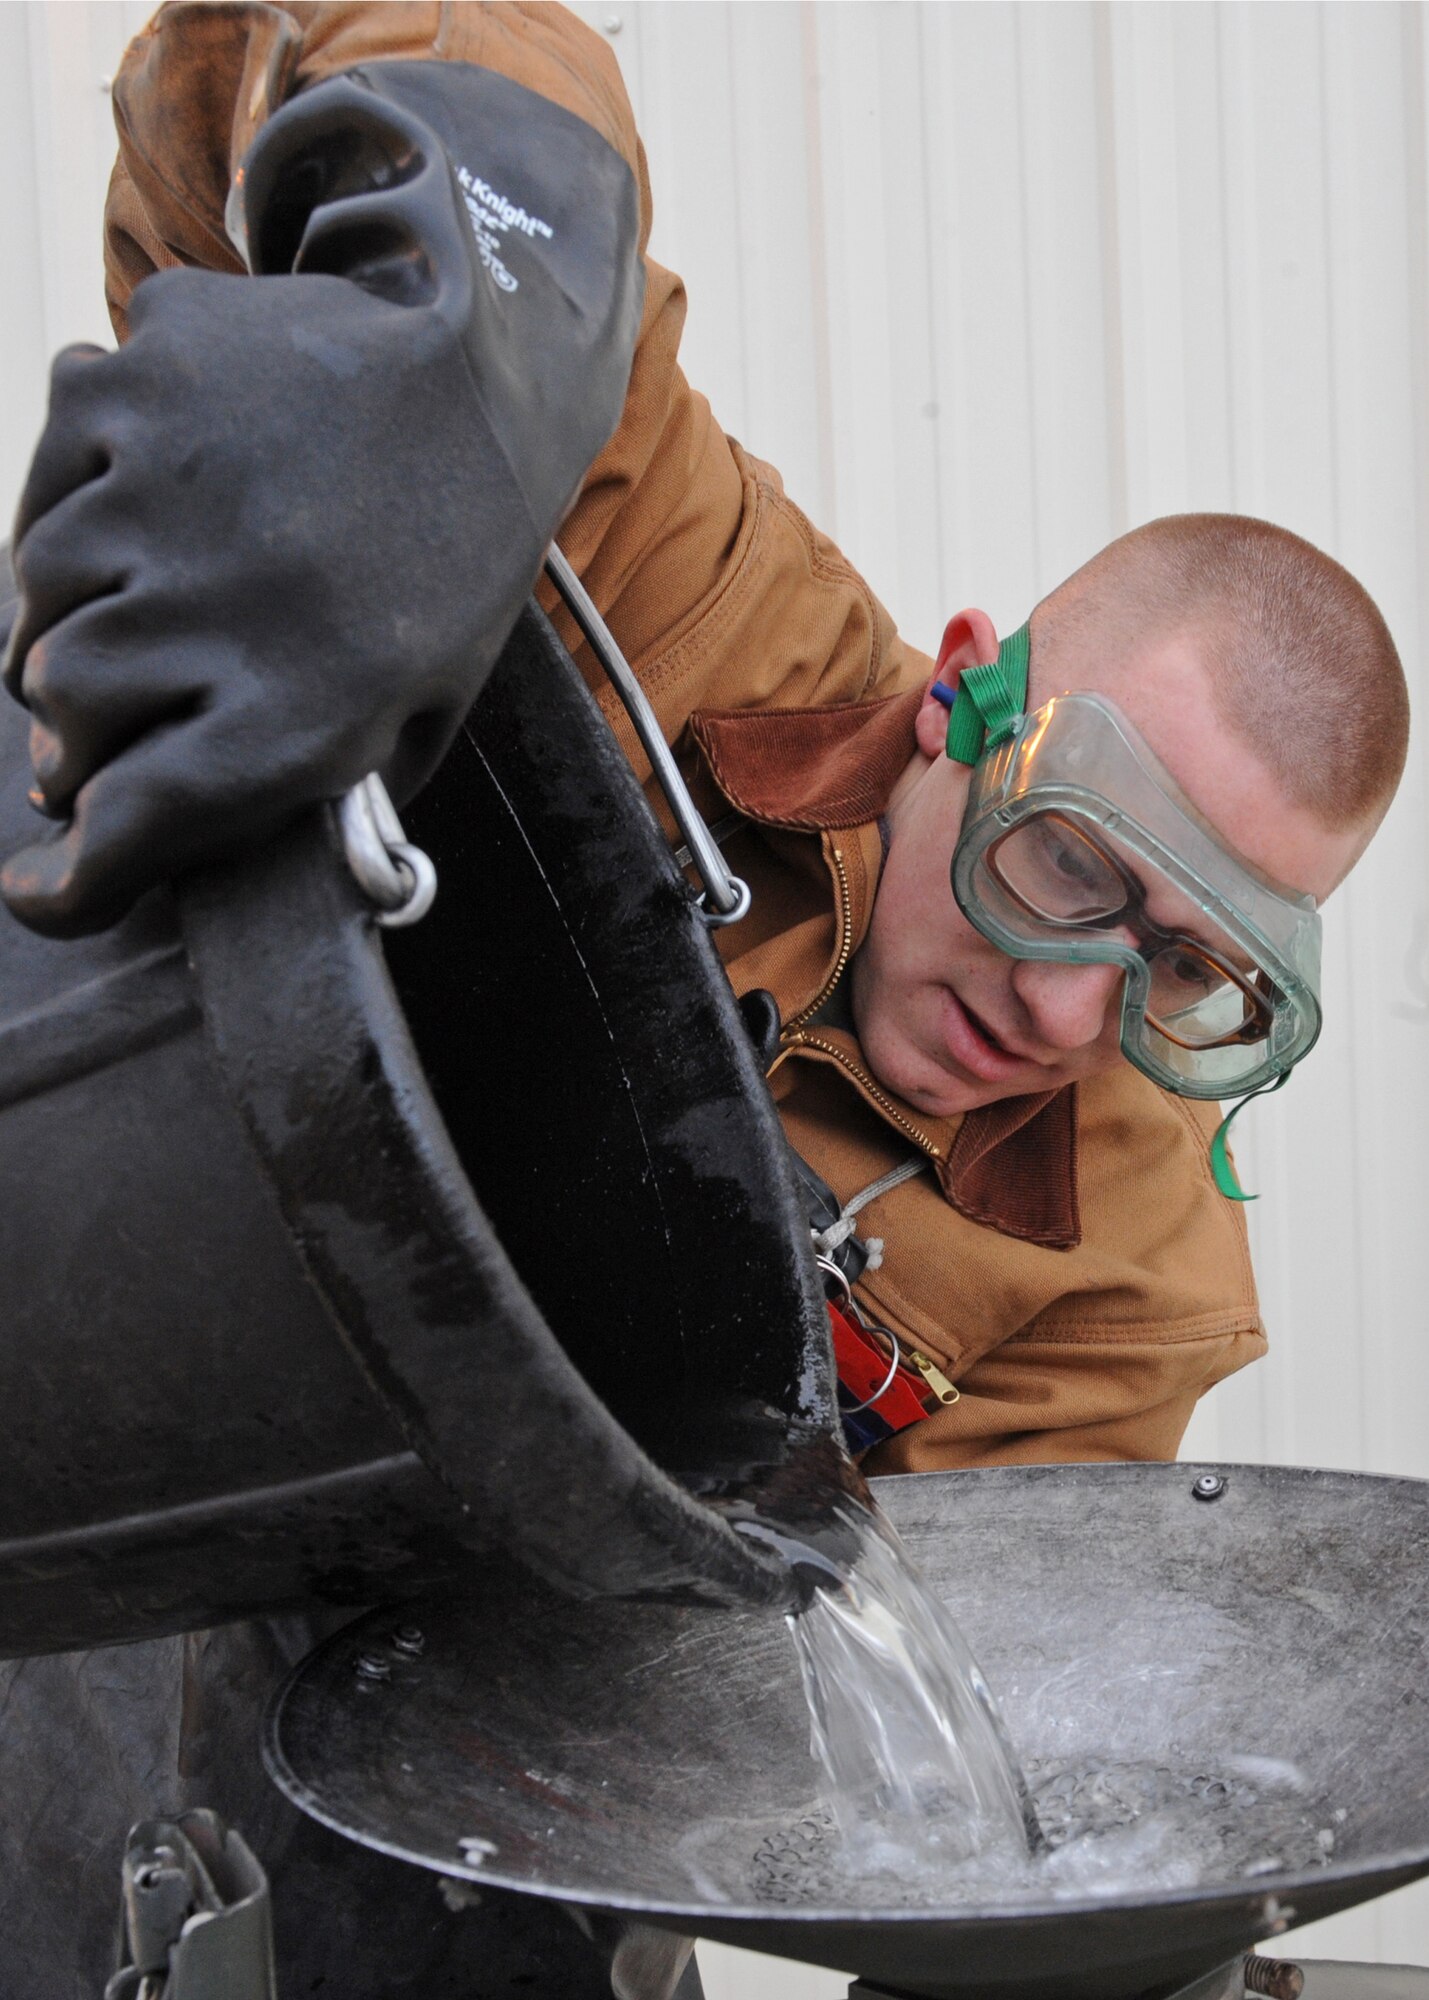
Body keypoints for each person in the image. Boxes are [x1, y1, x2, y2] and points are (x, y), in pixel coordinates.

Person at [2, 0, 1407, 1477]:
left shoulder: (1130, 1291)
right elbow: (306, 72)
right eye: (1066, 862)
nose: (1065, 1018)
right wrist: (478, 247)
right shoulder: (695, 599)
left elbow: (911, 1627)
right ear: (960, 697)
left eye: (1181, 970)